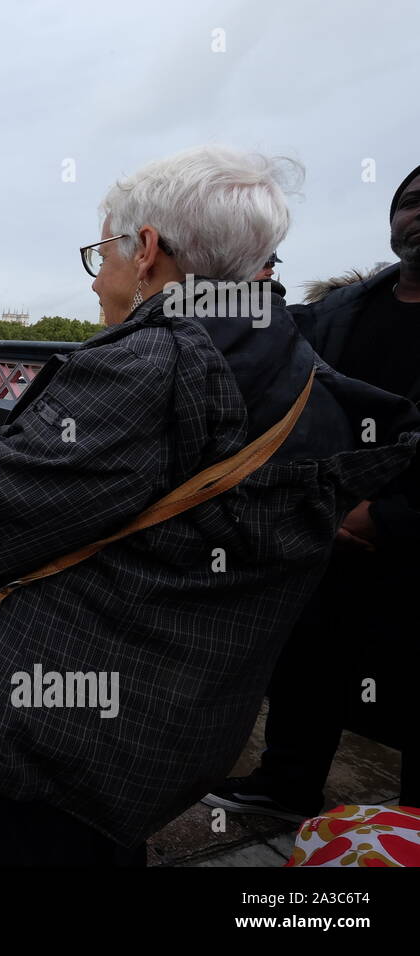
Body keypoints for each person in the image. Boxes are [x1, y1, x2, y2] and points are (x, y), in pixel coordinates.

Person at [0, 146, 420, 866]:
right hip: (182, 726)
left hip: (61, 739)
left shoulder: (148, 363)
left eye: (104, 254)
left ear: (147, 249)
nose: (98, 283)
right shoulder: (301, 364)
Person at [204, 163, 420, 822]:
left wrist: (392, 517)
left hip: (404, 535)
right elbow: (268, 365)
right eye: (410, 200)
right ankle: (285, 786)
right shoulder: (338, 312)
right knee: (306, 654)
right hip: (325, 523)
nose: (419, 211)